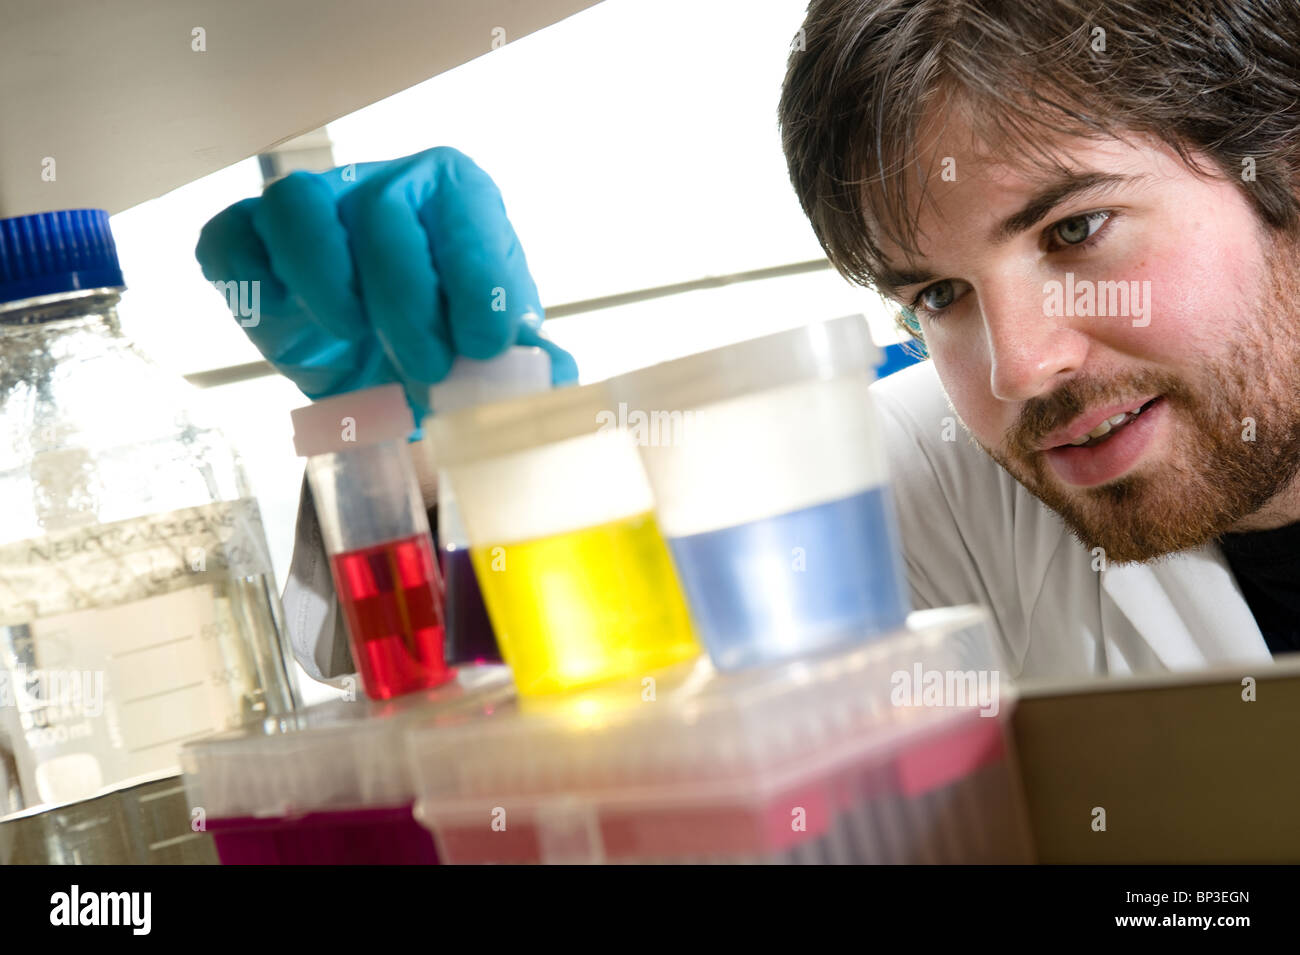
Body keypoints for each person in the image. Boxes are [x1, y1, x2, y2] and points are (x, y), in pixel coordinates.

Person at [197, 0, 1300, 684]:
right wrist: (439, 445)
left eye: (1076, 230)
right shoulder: (944, 474)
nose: (1019, 366)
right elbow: (513, 664)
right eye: (937, 293)